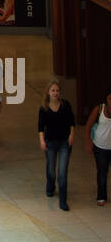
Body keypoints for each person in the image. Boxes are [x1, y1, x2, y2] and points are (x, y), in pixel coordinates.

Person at [39, 80, 75, 211]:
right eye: (53, 90)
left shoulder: (65, 105)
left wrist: (71, 135)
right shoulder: (44, 108)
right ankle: (50, 186)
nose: (55, 93)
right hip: (50, 142)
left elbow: (72, 121)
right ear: (48, 92)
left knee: (62, 172)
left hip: (64, 142)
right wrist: (42, 141)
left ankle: (63, 200)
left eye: (57, 90)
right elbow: (40, 127)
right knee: (51, 169)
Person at [85, 90, 111, 206]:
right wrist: (88, 142)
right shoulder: (99, 109)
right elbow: (88, 126)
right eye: (110, 98)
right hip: (100, 147)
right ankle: (101, 196)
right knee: (102, 172)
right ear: (106, 99)